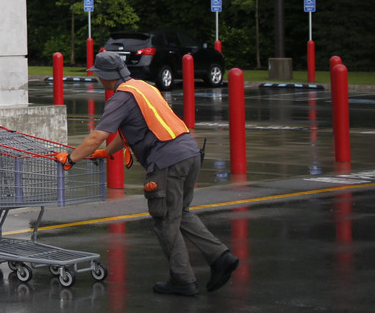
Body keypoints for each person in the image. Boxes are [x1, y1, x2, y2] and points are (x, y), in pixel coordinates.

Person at [56, 52, 240, 297]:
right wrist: (104, 153)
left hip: (167, 163)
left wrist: (71, 158)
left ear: (104, 76)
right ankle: (221, 257)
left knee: (165, 221)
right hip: (190, 153)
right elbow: (130, 133)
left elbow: (96, 135)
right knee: (180, 213)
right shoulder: (143, 88)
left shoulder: (119, 98)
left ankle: (183, 280)